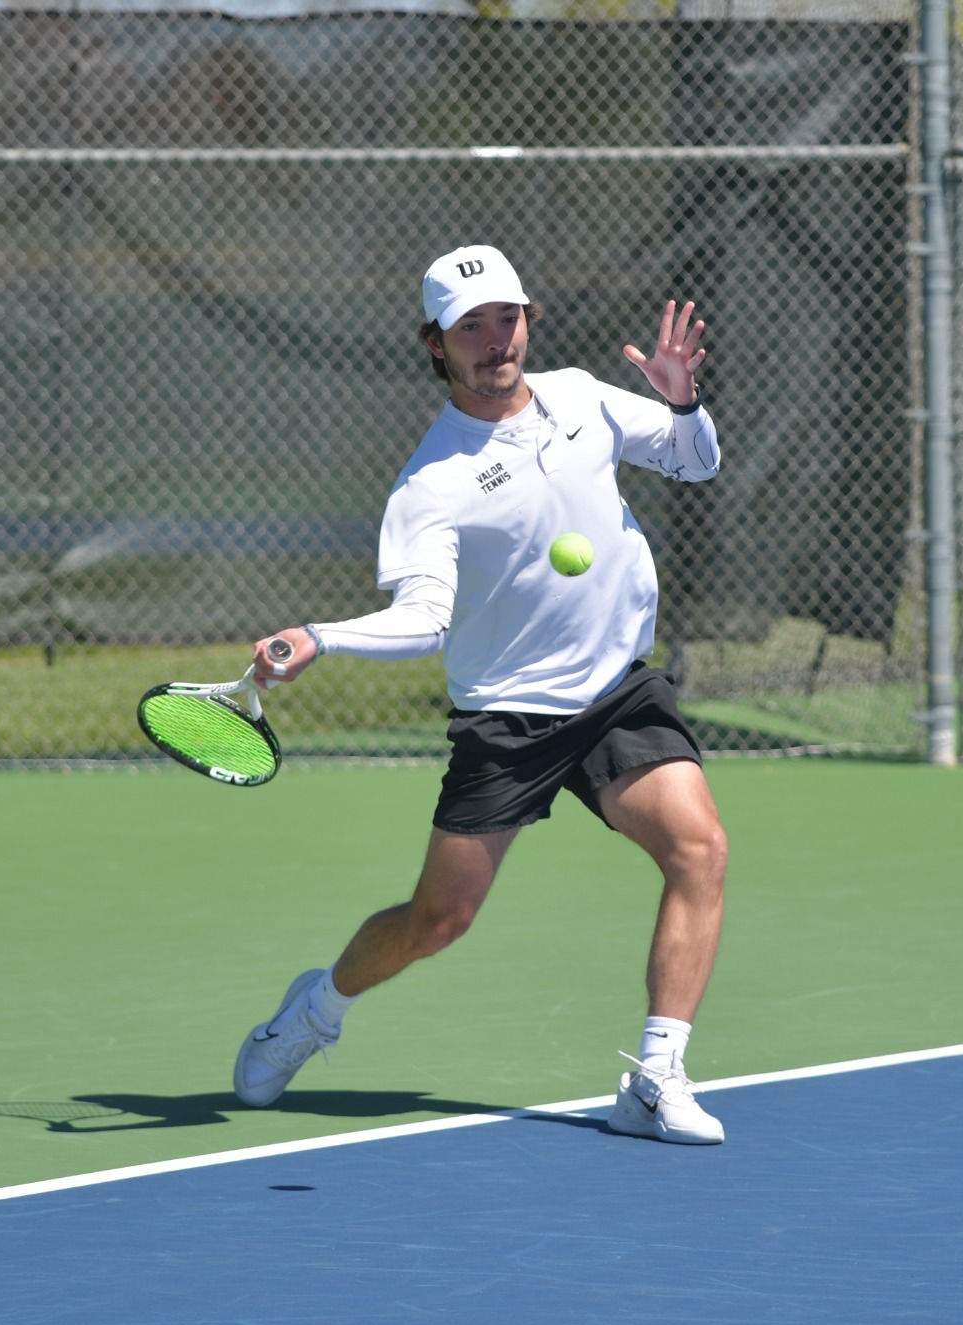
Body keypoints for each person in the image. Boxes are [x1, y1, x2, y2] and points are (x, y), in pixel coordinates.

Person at [235, 244, 730, 1145]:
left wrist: (681, 401)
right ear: (438, 345)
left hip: (617, 691)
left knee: (699, 850)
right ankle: (316, 1008)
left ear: (529, 320)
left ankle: (656, 1078)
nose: (496, 339)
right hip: (509, 713)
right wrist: (323, 636)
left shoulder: (581, 395)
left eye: (507, 317)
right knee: (438, 920)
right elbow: (424, 619)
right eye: (472, 326)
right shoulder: (432, 482)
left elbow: (696, 464)